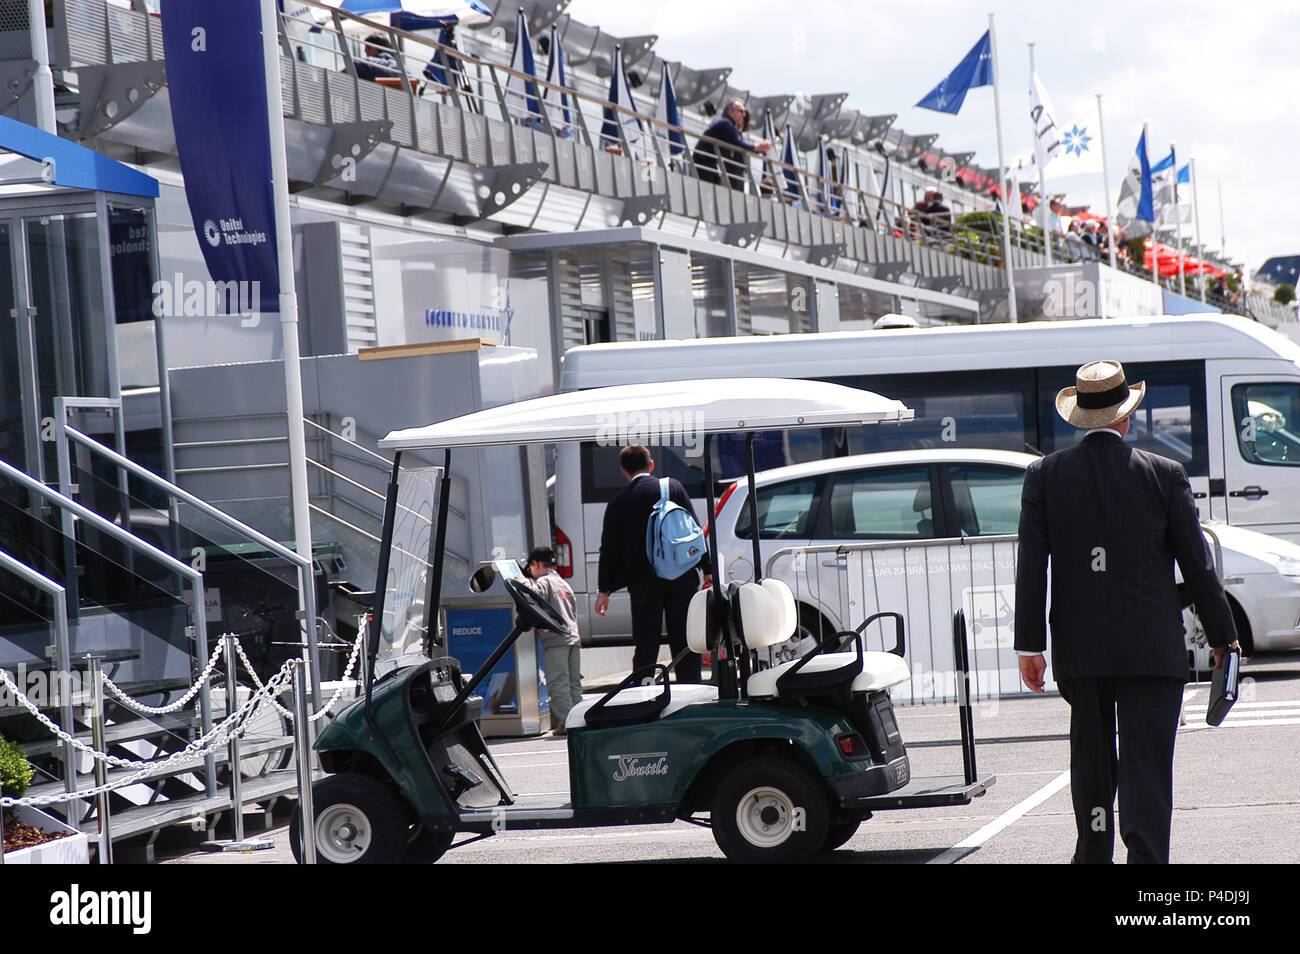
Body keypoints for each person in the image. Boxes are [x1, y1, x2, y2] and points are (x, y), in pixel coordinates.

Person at [1015, 360, 1239, 864]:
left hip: (1081, 648)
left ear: (1081, 417)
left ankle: (1093, 855)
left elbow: (1032, 566)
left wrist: (1030, 645)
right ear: (1127, 418)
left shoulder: (1044, 476)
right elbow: (1198, 568)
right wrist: (1224, 639)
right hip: (1151, 648)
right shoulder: (1164, 475)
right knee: (1147, 768)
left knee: (1092, 765)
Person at [594, 445, 706, 683]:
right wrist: (707, 570)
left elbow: (609, 549)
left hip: (643, 583)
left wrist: (604, 590)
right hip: (682, 576)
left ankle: (643, 694)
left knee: (646, 642)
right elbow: (693, 530)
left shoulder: (618, 502)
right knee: (685, 638)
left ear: (624, 471)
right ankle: (690, 690)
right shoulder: (672, 487)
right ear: (651, 464)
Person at [518, 545, 582, 735]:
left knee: (558, 683)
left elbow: (531, 592)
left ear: (536, 564)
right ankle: (579, 720)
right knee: (573, 684)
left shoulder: (545, 582)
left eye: (530, 567)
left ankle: (566, 723)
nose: (530, 572)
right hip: (573, 639)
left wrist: (519, 579)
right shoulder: (564, 584)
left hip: (556, 641)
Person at [692, 100, 772, 192]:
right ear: (731, 112)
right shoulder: (725, 123)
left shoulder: (727, 124)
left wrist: (757, 148)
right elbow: (737, 143)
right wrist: (757, 147)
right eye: (741, 111)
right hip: (705, 161)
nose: (744, 115)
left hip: (708, 162)